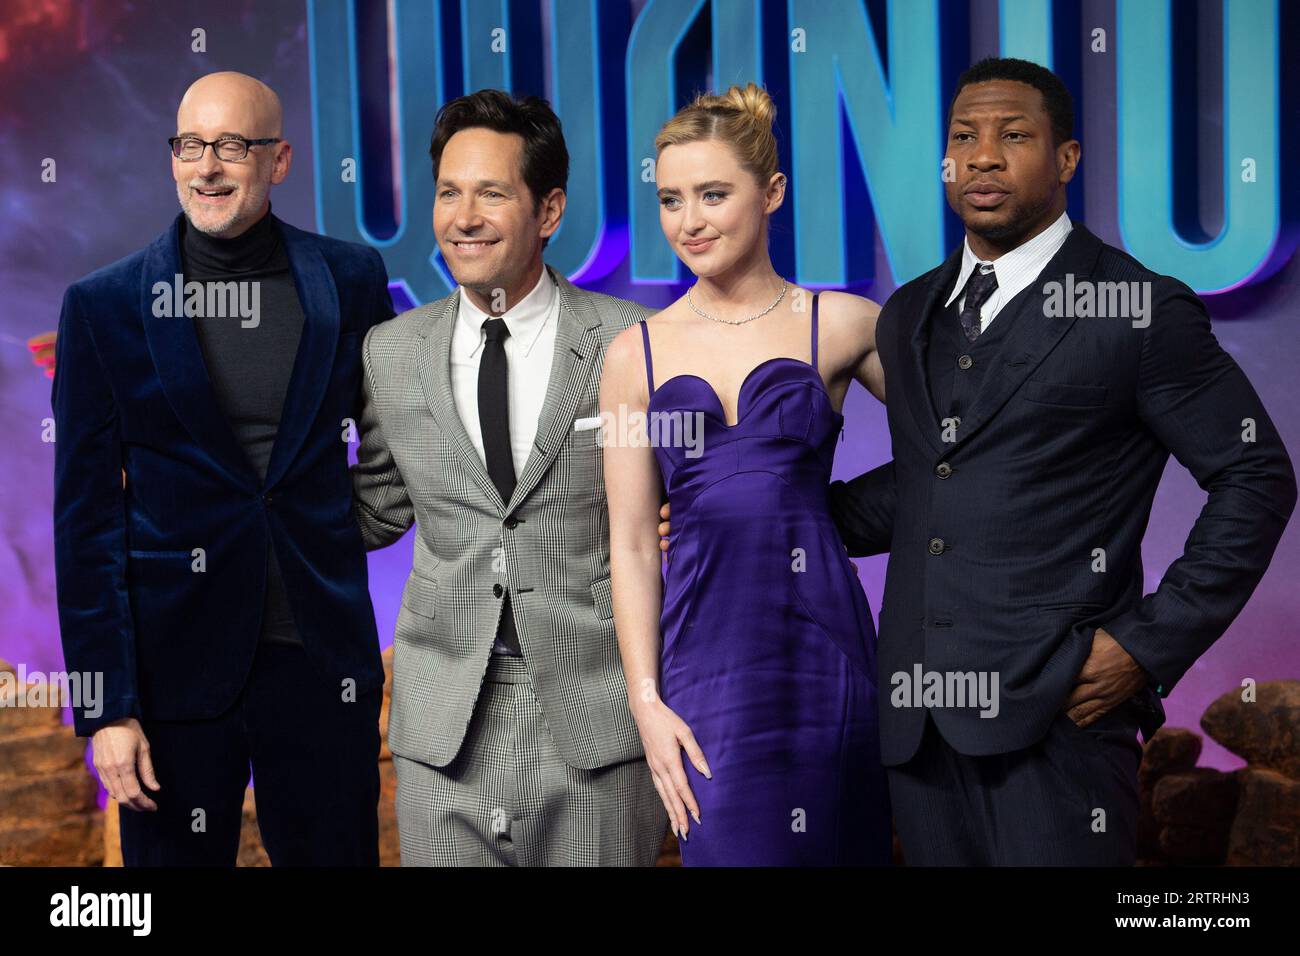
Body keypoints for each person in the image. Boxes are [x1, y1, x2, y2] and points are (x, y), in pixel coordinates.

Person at [826, 58, 1295, 864]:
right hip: (918, 726)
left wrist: (1146, 645)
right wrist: (762, 517)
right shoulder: (908, 314)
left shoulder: (1138, 309)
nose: (982, 157)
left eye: (1014, 136)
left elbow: (1257, 475)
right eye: (964, 138)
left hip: (1063, 723)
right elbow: (929, 484)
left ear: (1067, 158)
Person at [52, 72, 393, 865]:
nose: (207, 165)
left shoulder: (350, 279)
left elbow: (402, 432)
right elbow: (85, 525)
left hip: (320, 664)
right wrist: (105, 710)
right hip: (171, 684)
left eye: (232, 145)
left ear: (279, 160)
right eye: (191, 145)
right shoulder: (102, 308)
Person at [351, 90, 667, 866]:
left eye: (491, 193)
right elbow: (376, 508)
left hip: (597, 714)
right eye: (449, 193)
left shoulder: (630, 340)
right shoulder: (389, 352)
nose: (464, 218)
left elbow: (677, 499)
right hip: (442, 723)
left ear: (549, 209)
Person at [600, 83, 892, 865]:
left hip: (825, 660)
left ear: (773, 193)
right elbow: (629, 543)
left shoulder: (844, 325)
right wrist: (646, 702)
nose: (688, 221)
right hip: (702, 669)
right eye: (669, 199)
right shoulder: (635, 354)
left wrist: (833, 516)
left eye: (712, 194)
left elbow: (970, 445)